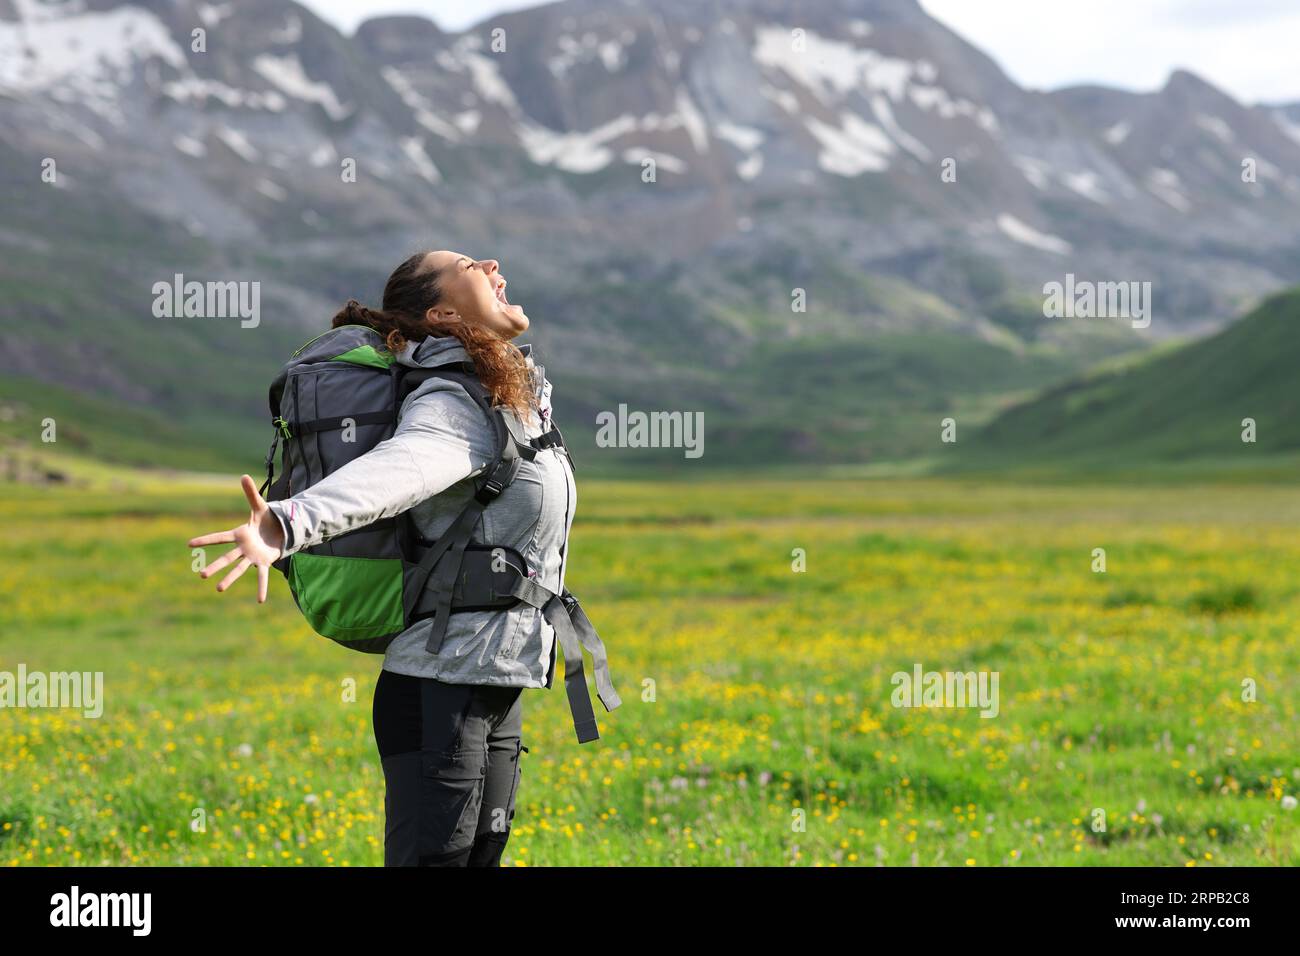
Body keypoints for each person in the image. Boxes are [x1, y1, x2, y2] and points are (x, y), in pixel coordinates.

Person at [187, 249, 577, 866]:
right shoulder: (452, 403)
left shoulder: (503, 394)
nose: (495, 263)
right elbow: (397, 473)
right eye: (472, 264)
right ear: (444, 312)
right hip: (439, 692)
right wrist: (288, 523)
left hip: (491, 680)